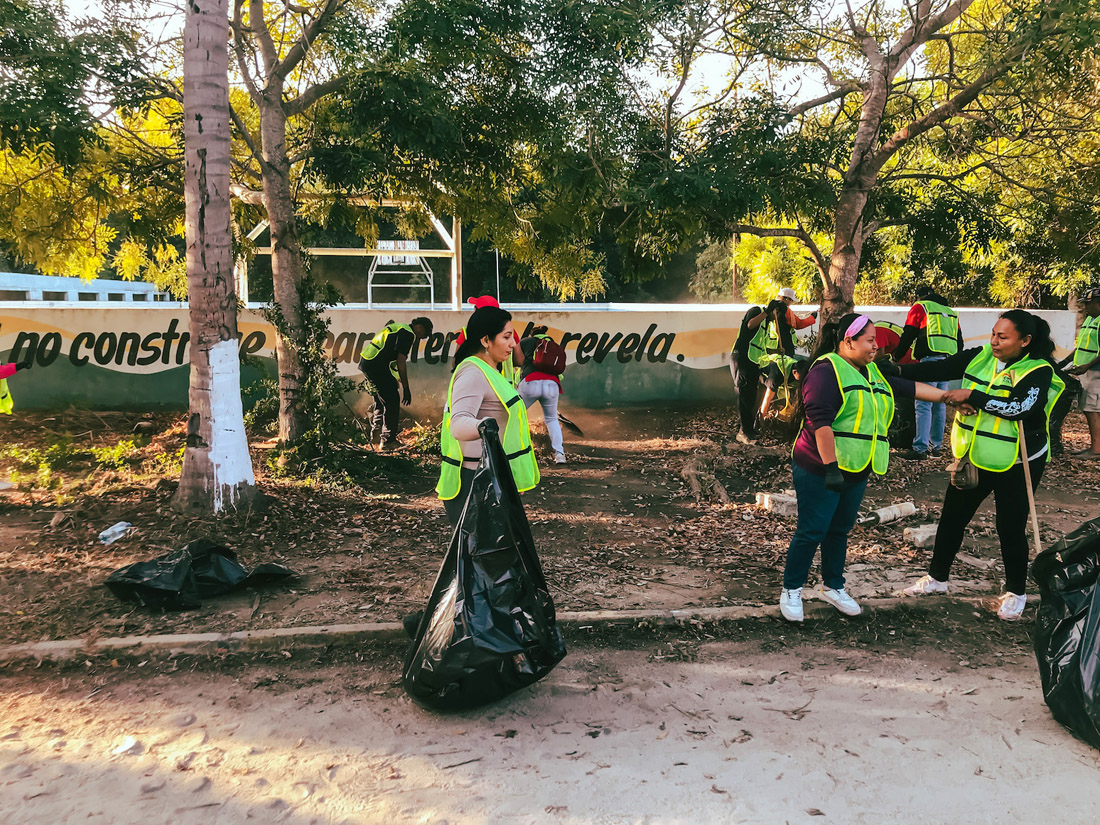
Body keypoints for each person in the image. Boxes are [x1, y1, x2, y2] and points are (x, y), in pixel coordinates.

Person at [780, 314, 949, 622]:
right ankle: (791, 589)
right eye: (870, 341)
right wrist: (831, 467)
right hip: (820, 465)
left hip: (857, 466)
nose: (876, 346)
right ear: (848, 341)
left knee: (840, 529)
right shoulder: (826, 371)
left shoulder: (871, 372)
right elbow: (821, 425)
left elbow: (906, 388)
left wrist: (949, 396)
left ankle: (832, 586)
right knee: (812, 529)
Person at [897, 310, 1066, 621]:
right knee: (952, 517)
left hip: (1018, 461)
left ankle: (1016, 591)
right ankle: (937, 579)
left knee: (1010, 526)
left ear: (1025, 341)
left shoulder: (1038, 370)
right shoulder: (982, 356)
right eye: (993, 334)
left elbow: (1020, 407)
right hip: (974, 455)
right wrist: (893, 369)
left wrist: (974, 395)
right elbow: (943, 367)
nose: (994, 342)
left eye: (1003, 337)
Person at [437, 306, 540, 526]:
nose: (514, 344)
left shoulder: (491, 371)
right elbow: (458, 424)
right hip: (475, 483)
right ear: (485, 340)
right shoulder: (473, 372)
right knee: (481, 558)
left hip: (491, 479)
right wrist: (485, 426)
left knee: (493, 557)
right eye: (507, 337)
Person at [731, 288, 816, 444]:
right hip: (742, 357)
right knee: (745, 396)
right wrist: (766, 312)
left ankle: (748, 430)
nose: (775, 318)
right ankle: (744, 432)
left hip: (754, 361)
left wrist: (779, 349)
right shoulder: (757, 311)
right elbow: (750, 325)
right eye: (775, 313)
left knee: (751, 396)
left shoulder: (768, 322)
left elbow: (764, 344)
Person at [894, 287, 963, 460]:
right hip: (947, 362)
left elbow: (908, 333)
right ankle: (935, 447)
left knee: (924, 404)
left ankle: (920, 448)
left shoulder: (921, 307)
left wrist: (896, 356)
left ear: (920, 296)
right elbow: (959, 340)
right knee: (940, 402)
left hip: (928, 360)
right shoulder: (950, 312)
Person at [358, 317, 433, 450]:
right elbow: (401, 361)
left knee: (381, 398)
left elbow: (391, 361)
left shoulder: (399, 328)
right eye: (424, 335)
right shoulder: (408, 333)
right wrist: (406, 387)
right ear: (420, 328)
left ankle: (376, 435)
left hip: (368, 362)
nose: (422, 338)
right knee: (392, 399)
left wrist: (395, 380)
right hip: (376, 365)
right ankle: (388, 441)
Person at [1058, 287, 1100, 458]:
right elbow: (1081, 348)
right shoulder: (1091, 320)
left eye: (1088, 304)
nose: (1085, 308)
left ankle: (1096, 450)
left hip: (1095, 374)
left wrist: (1086, 366)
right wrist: (1063, 363)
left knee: (1092, 409)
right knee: (1089, 408)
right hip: (1086, 372)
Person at [518, 325, 568, 464]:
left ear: (532, 334)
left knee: (516, 415)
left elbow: (515, 361)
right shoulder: (553, 345)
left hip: (531, 382)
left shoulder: (526, 342)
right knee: (552, 420)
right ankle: (560, 455)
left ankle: (520, 451)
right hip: (552, 385)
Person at [453, 295, 525, 385]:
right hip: (505, 385)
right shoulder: (511, 332)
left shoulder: (467, 332)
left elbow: (457, 361)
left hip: (477, 382)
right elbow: (519, 360)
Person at [875, 320, 917, 448]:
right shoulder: (881, 328)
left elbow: (879, 354)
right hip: (910, 359)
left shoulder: (876, 331)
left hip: (906, 361)